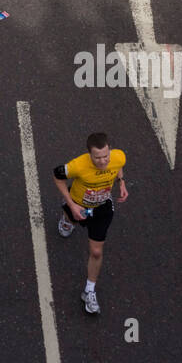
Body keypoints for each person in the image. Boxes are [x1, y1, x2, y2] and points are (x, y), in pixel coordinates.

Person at [53, 132, 128, 316]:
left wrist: (121, 182)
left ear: (110, 150)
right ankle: (67, 218)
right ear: (89, 155)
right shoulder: (78, 165)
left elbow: (119, 165)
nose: (103, 161)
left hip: (102, 209)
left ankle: (89, 291)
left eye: (105, 156)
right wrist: (72, 204)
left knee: (96, 251)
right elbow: (57, 175)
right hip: (79, 205)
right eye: (98, 158)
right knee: (71, 219)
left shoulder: (118, 157)